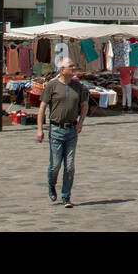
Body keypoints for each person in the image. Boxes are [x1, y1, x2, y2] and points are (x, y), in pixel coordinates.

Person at [36, 57, 89, 208]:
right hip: (56, 129)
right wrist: (40, 129)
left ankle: (66, 196)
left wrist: (80, 122)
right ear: (62, 70)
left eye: (74, 66)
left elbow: (84, 105)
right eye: (71, 67)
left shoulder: (78, 86)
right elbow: (42, 109)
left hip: (72, 129)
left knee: (70, 165)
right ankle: (51, 183)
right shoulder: (52, 86)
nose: (74, 69)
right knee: (55, 165)